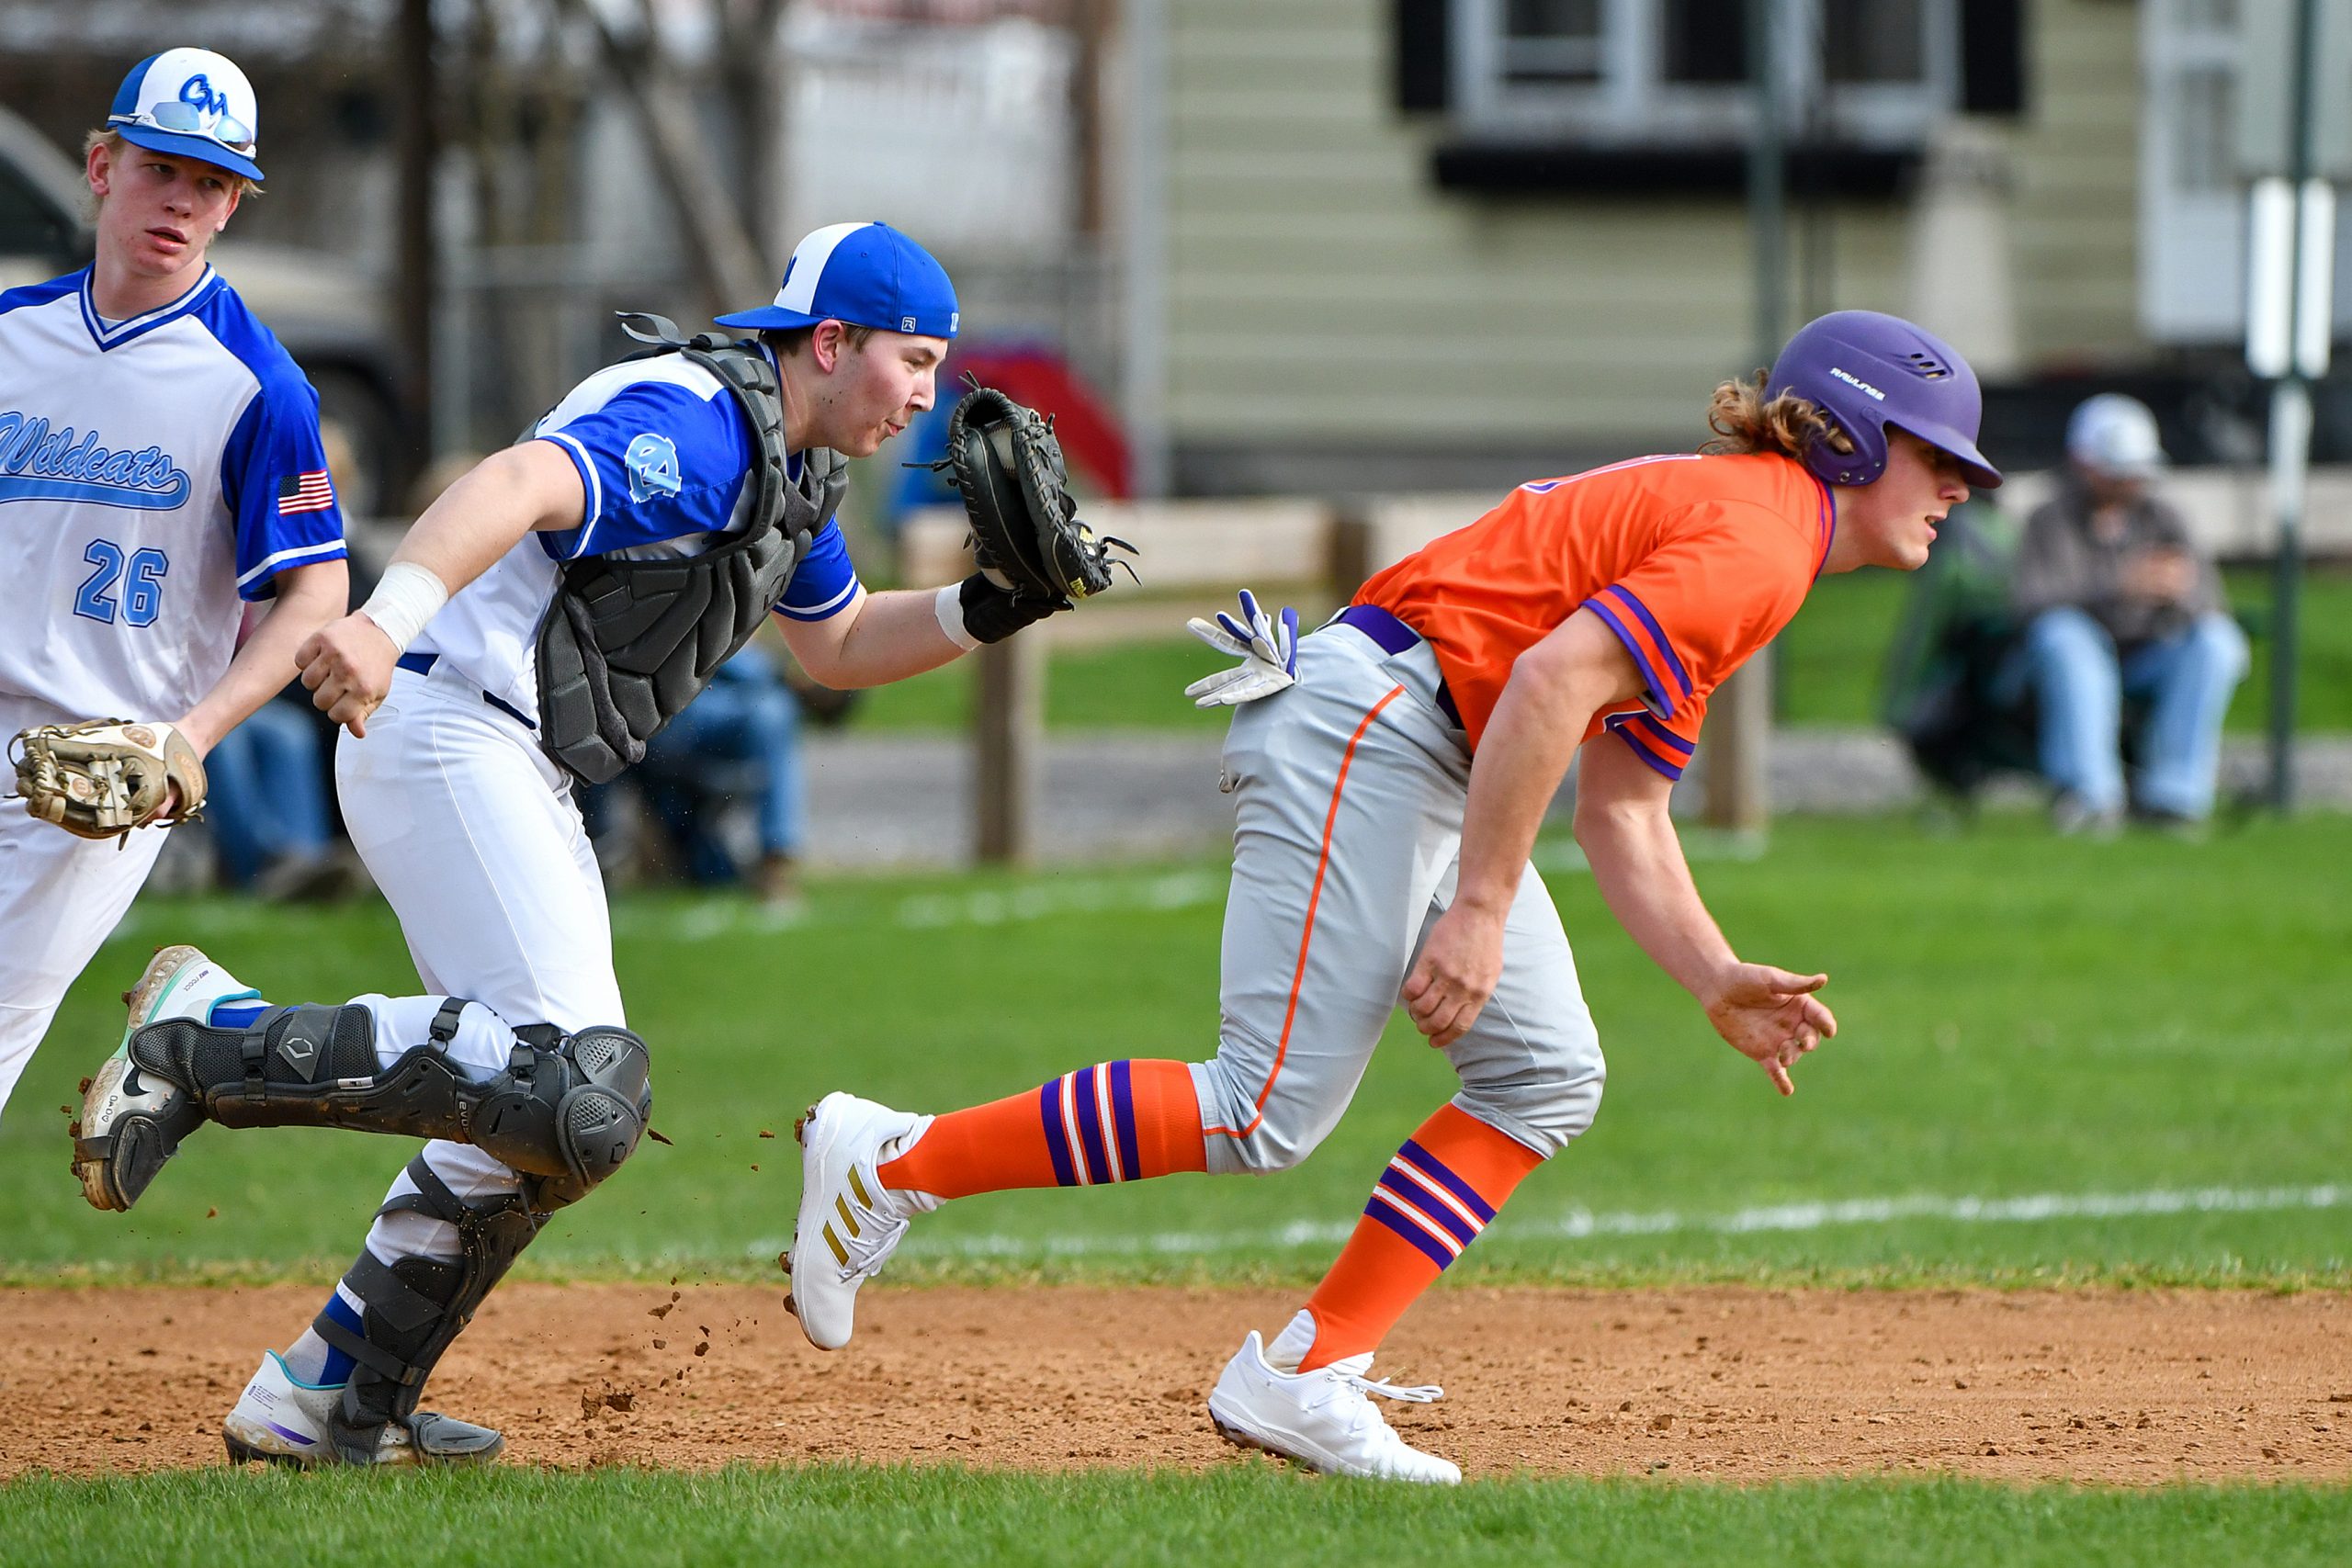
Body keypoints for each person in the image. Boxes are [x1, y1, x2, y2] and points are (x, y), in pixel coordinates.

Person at [783, 310, 1997, 1483]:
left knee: (1544, 1075)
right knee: (1260, 1108)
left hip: (1421, 738)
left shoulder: (1753, 526)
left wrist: (1712, 973)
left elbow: (1623, 808)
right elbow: (1548, 683)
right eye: (1938, 455)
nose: (1956, 487)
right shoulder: (1762, 538)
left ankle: (1310, 1369)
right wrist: (1479, 909)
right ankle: (893, 1161)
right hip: (1376, 726)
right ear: (1851, 436)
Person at [73, 221, 1075, 1467]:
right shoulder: (700, 422)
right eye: (912, 359)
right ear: (830, 342)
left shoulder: (791, 465)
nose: (927, 392)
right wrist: (384, 620)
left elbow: (841, 642)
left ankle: (331, 1397)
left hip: (510, 761)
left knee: (563, 1115)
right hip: (442, 725)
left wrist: (988, 606)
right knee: (567, 1081)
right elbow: (515, 483)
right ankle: (205, 1037)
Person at [0, 48, 347, 1115]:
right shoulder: (13, 335)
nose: (182, 202)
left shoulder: (257, 385)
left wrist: (189, 738)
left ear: (233, 205)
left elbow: (316, 591)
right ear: (101, 167)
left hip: (95, 772)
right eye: (160, 168)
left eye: (212, 182)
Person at [2008, 393, 2247, 832]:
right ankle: (2092, 798)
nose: (2129, 482)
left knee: (2218, 642)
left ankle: (2175, 799)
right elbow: (2031, 603)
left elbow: (2212, 604)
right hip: (2068, 661)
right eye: (2117, 471)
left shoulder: (2165, 518)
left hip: (2148, 656)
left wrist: (2179, 593)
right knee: (2065, 635)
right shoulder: (2048, 519)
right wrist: (2118, 587)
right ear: (2082, 463)